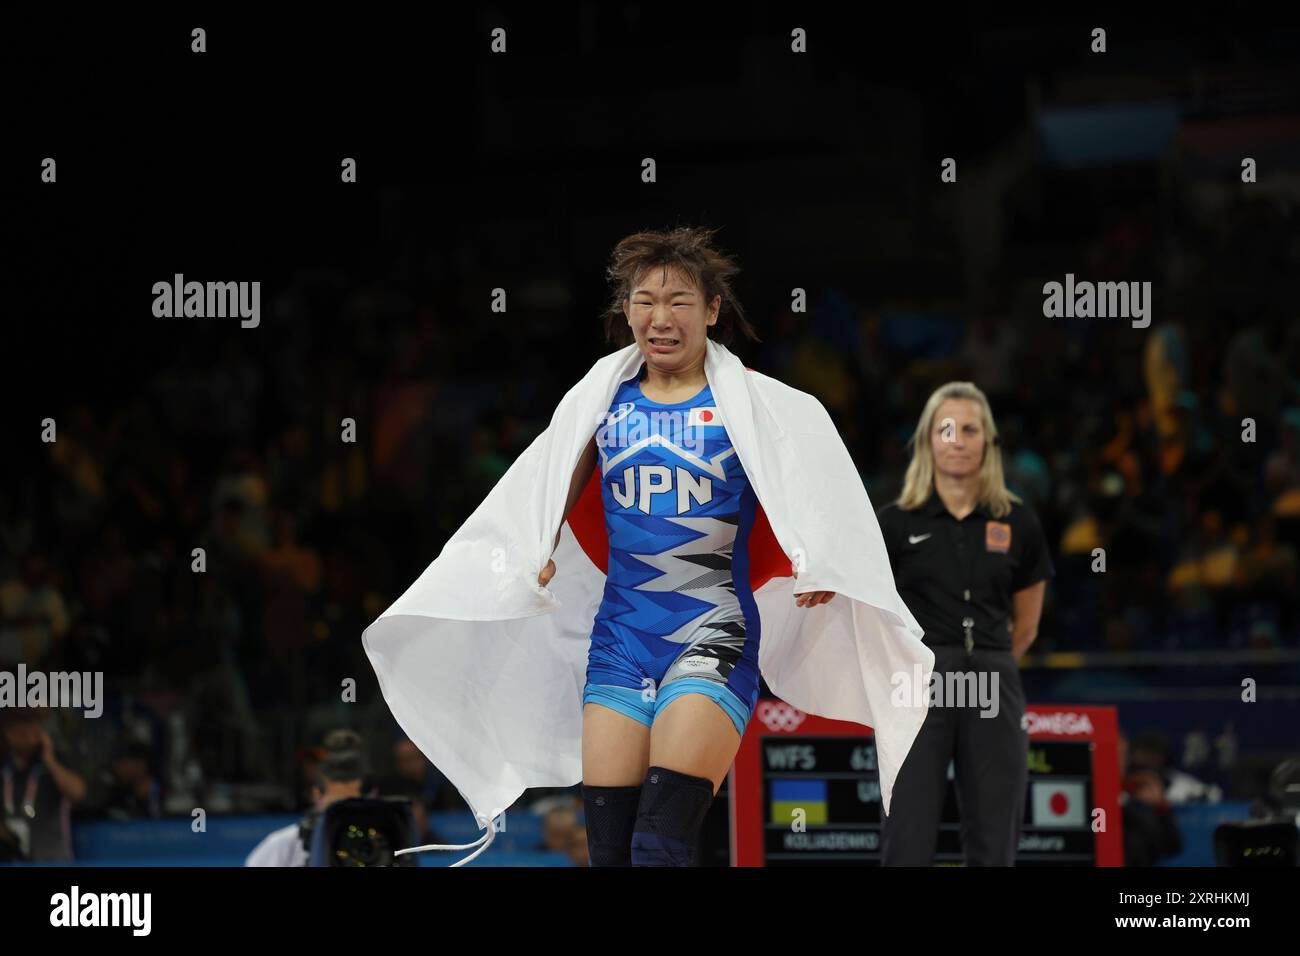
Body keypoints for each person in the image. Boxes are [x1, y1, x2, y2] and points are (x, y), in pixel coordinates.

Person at [363, 225, 932, 869]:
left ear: (712, 311)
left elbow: (810, 480)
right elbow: (546, 486)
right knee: (609, 851)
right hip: (619, 641)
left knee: (660, 843)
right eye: (645, 301)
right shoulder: (598, 402)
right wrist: (535, 549)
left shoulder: (758, 406)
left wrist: (821, 553)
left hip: (713, 633)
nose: (661, 319)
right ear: (626, 310)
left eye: (680, 302)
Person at [876, 381, 1053, 865]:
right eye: (945, 428)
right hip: (917, 684)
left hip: (994, 679)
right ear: (928, 440)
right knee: (906, 836)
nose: (957, 439)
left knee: (994, 839)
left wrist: (984, 669)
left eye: (970, 429)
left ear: (988, 442)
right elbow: (872, 616)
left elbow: (1028, 627)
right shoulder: (892, 523)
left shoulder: (1019, 521)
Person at [245, 729, 371, 867]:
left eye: (354, 805)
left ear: (372, 798)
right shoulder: (283, 846)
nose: (345, 815)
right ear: (317, 796)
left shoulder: (387, 846)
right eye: (336, 807)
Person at [0, 707, 86, 862]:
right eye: (19, 727)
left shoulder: (56, 761)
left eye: (32, 726)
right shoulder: (4, 767)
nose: (26, 734)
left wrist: (49, 760)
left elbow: (78, 793)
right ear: (7, 732)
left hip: (52, 861)